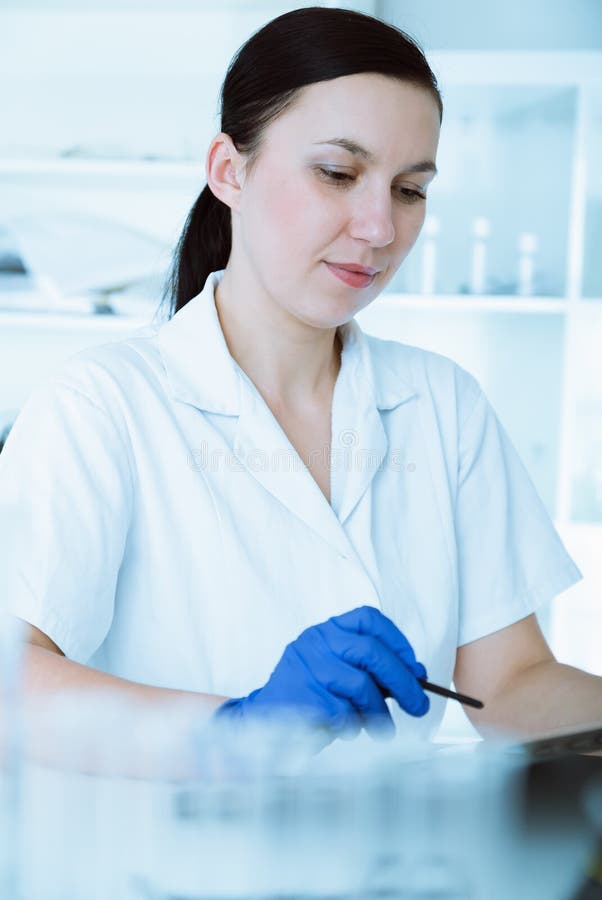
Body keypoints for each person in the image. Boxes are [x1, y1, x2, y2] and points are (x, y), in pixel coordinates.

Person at [1, 6, 600, 774]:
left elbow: (512, 683)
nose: (380, 227)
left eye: (411, 189)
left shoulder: (443, 405)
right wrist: (237, 728)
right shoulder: (102, 406)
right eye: (338, 174)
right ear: (230, 171)